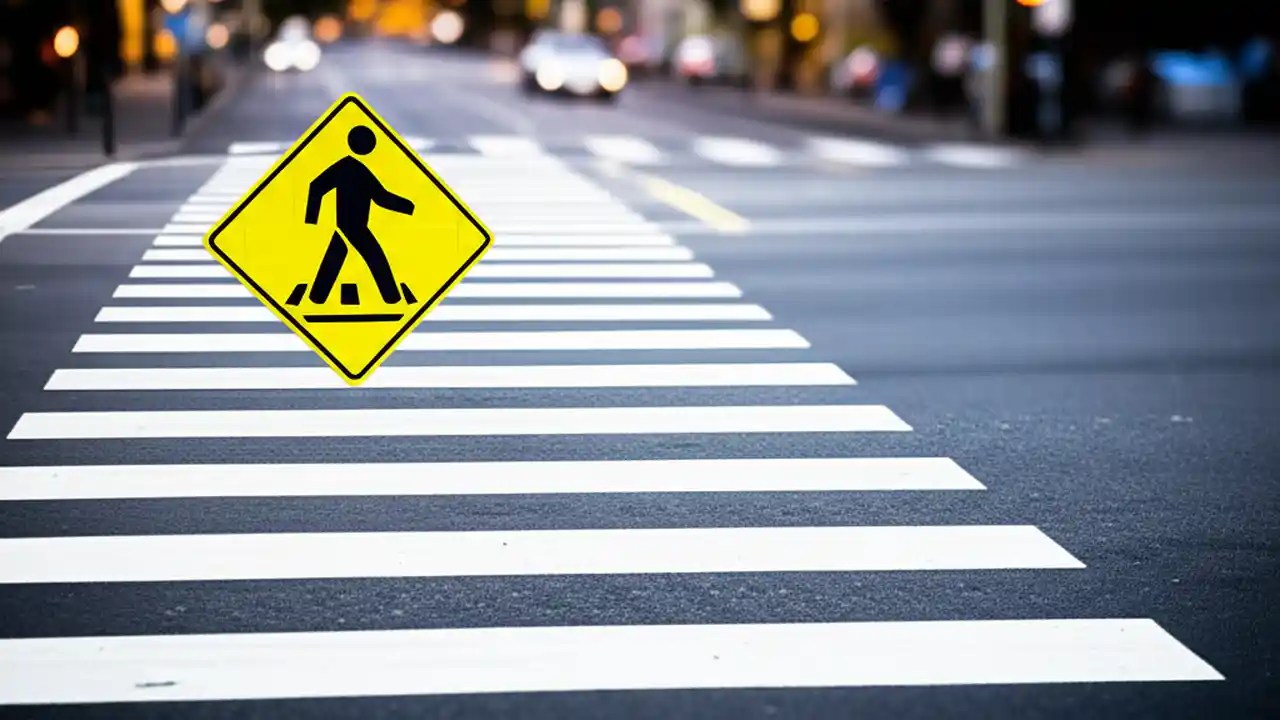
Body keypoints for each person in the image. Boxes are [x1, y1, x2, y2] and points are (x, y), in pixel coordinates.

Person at [303, 125, 415, 305]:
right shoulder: (353, 168)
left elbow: (380, 197)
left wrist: (409, 207)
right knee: (376, 258)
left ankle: (317, 297)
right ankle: (391, 297)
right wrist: (311, 220)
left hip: (348, 225)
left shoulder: (353, 167)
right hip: (354, 226)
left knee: (336, 258)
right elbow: (381, 197)